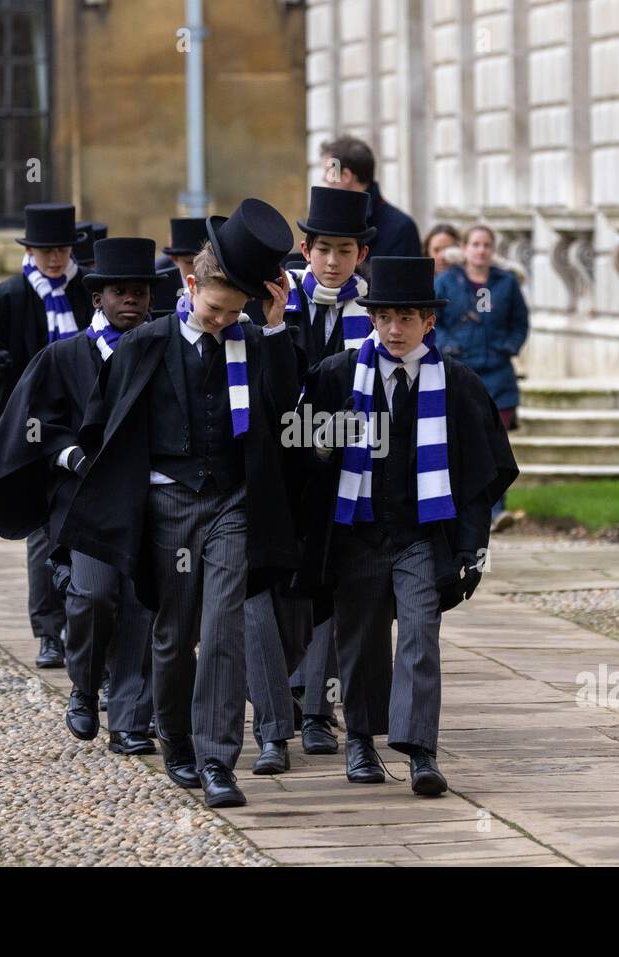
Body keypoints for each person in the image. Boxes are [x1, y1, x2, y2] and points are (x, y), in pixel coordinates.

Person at [57, 199, 303, 809]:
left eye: (235, 312)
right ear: (190, 286)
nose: (223, 321)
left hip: (231, 506)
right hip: (167, 507)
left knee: (222, 629)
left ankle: (219, 759)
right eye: (215, 309)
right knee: (172, 636)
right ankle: (176, 740)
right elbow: (100, 427)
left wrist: (273, 325)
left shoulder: (251, 339)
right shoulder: (143, 345)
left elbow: (283, 408)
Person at [297, 256, 517, 795]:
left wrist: (472, 549)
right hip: (357, 532)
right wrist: (324, 445)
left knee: (421, 634)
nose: (395, 330)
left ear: (429, 321)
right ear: (371, 318)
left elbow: (482, 477)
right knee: (363, 639)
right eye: (385, 317)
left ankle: (421, 751)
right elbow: (297, 452)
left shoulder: (460, 386)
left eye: (407, 318)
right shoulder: (337, 375)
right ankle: (361, 744)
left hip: (421, 535)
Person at [0, 238, 161, 755]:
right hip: (86, 503)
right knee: (93, 597)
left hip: (146, 502)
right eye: (120, 292)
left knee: (142, 607)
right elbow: (29, 423)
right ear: (96, 298)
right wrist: (65, 452)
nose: (131, 302)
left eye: (140, 293)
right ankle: (83, 683)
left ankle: (128, 722)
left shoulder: (163, 353)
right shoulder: (63, 357)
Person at [241, 184, 378, 774]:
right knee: (260, 592)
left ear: (359, 256)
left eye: (344, 251)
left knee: (333, 589)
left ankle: (319, 713)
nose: (332, 261)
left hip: (343, 466)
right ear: (305, 247)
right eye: (323, 249)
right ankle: (273, 725)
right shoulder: (272, 299)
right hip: (273, 468)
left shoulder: (376, 312)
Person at [0, 202, 91, 667]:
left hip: (82, 426)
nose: (55, 258)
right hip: (32, 430)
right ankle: (48, 631)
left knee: (86, 530)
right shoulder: (10, 296)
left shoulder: (88, 291)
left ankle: (85, 626)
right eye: (45, 250)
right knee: (41, 532)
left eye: (61, 249)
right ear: (31, 250)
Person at [433, 224, 529, 532]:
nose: (481, 250)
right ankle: (465, 509)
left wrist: (508, 346)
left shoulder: (506, 284)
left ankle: (495, 508)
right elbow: (433, 321)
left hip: (498, 377)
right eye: (475, 244)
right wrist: (447, 346)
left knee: (495, 444)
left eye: (487, 244)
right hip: (461, 373)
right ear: (464, 248)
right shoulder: (447, 283)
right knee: (464, 442)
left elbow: (520, 322)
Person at [319, 135, 421, 259]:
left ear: (346, 176)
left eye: (328, 172)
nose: (324, 178)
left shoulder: (402, 228)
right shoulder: (327, 222)